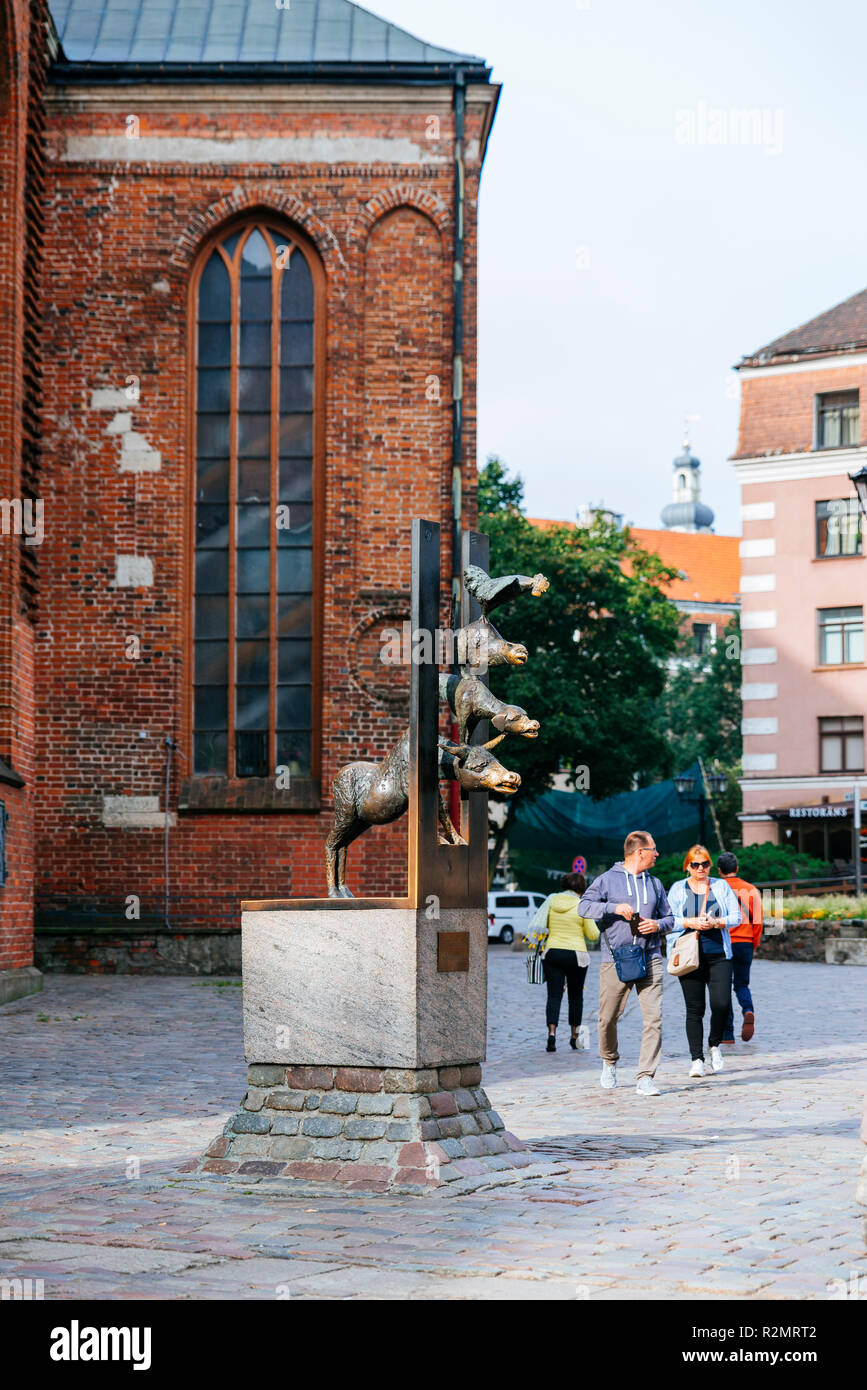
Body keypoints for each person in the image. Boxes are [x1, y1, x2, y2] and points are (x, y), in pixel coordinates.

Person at [578, 830, 674, 1097]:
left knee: (653, 1019)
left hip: (650, 957)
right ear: (639, 851)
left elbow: (671, 918)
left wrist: (658, 924)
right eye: (653, 849)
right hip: (616, 960)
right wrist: (613, 908)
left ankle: (645, 1076)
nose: (657, 853)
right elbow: (583, 907)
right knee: (607, 1018)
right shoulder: (607, 880)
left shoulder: (655, 883)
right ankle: (609, 1061)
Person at [667, 845, 742, 1078]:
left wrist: (716, 922)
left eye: (705, 864)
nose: (700, 868)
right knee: (694, 1009)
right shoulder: (678, 888)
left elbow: (737, 917)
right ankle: (696, 1059)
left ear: (710, 865)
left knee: (721, 1004)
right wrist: (691, 922)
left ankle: (714, 1045)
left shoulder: (720, 886)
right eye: (695, 864)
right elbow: (669, 920)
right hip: (689, 956)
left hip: (719, 954)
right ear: (687, 866)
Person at [528, 873, 600, 1052]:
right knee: (575, 996)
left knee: (554, 996)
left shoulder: (552, 901)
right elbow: (593, 935)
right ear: (581, 888)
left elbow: (541, 926)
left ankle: (551, 1035)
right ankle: (574, 1036)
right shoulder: (582, 904)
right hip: (576, 955)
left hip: (552, 953)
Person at [716, 851, 763, 1044]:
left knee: (723, 987)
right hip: (745, 942)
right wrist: (754, 943)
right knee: (742, 984)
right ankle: (748, 1009)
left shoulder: (716, 889)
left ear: (719, 870)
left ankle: (727, 1035)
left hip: (723, 943)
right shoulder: (751, 889)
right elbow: (758, 922)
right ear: (737, 868)